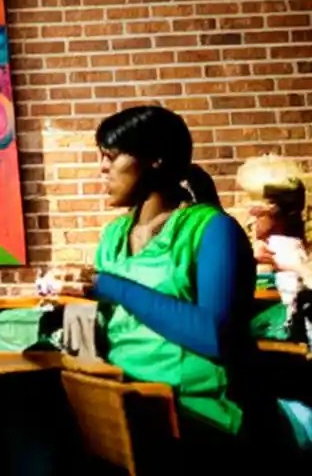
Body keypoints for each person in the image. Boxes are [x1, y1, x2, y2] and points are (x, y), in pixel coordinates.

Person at [74, 105, 301, 467]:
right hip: (127, 405)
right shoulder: (113, 236)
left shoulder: (212, 229)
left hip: (198, 415)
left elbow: (216, 335)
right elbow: (108, 328)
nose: (102, 167)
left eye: (111, 157)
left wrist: (111, 286)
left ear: (155, 160)